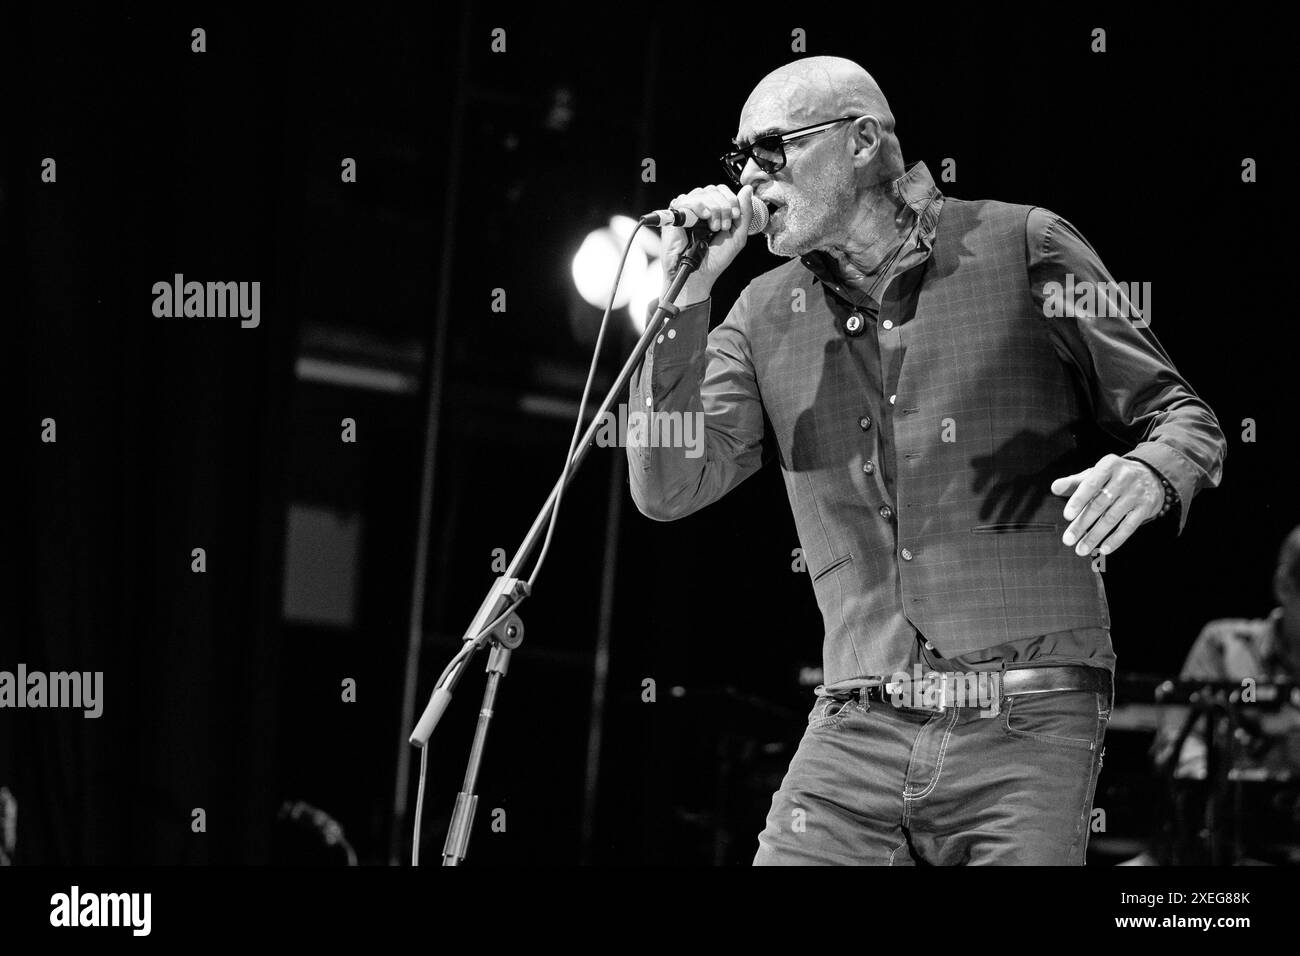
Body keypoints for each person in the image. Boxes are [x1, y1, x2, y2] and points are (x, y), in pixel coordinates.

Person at [626, 56, 1226, 864]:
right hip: (854, 728)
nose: (747, 180)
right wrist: (683, 299)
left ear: (863, 140)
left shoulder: (1024, 246)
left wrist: (1152, 473)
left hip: (1025, 725)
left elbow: (1183, 417)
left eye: (771, 150)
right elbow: (667, 484)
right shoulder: (762, 312)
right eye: (738, 160)